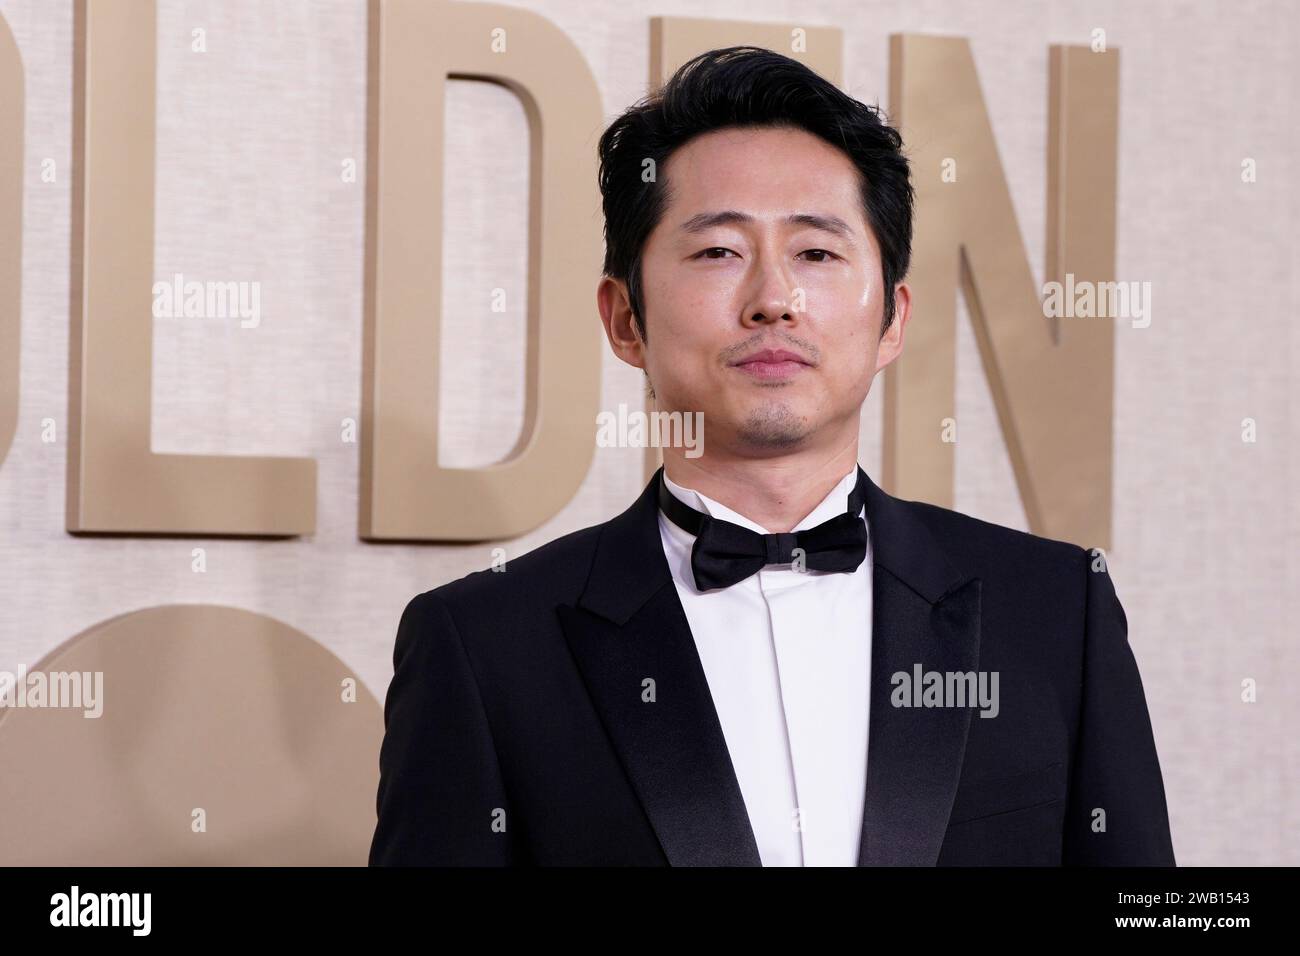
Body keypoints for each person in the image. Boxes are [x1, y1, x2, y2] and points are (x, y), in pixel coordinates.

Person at [369, 46, 1175, 866]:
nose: (772, 301)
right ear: (624, 318)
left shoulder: (1055, 612)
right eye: (718, 251)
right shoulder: (483, 644)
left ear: (893, 319)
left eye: (816, 253)